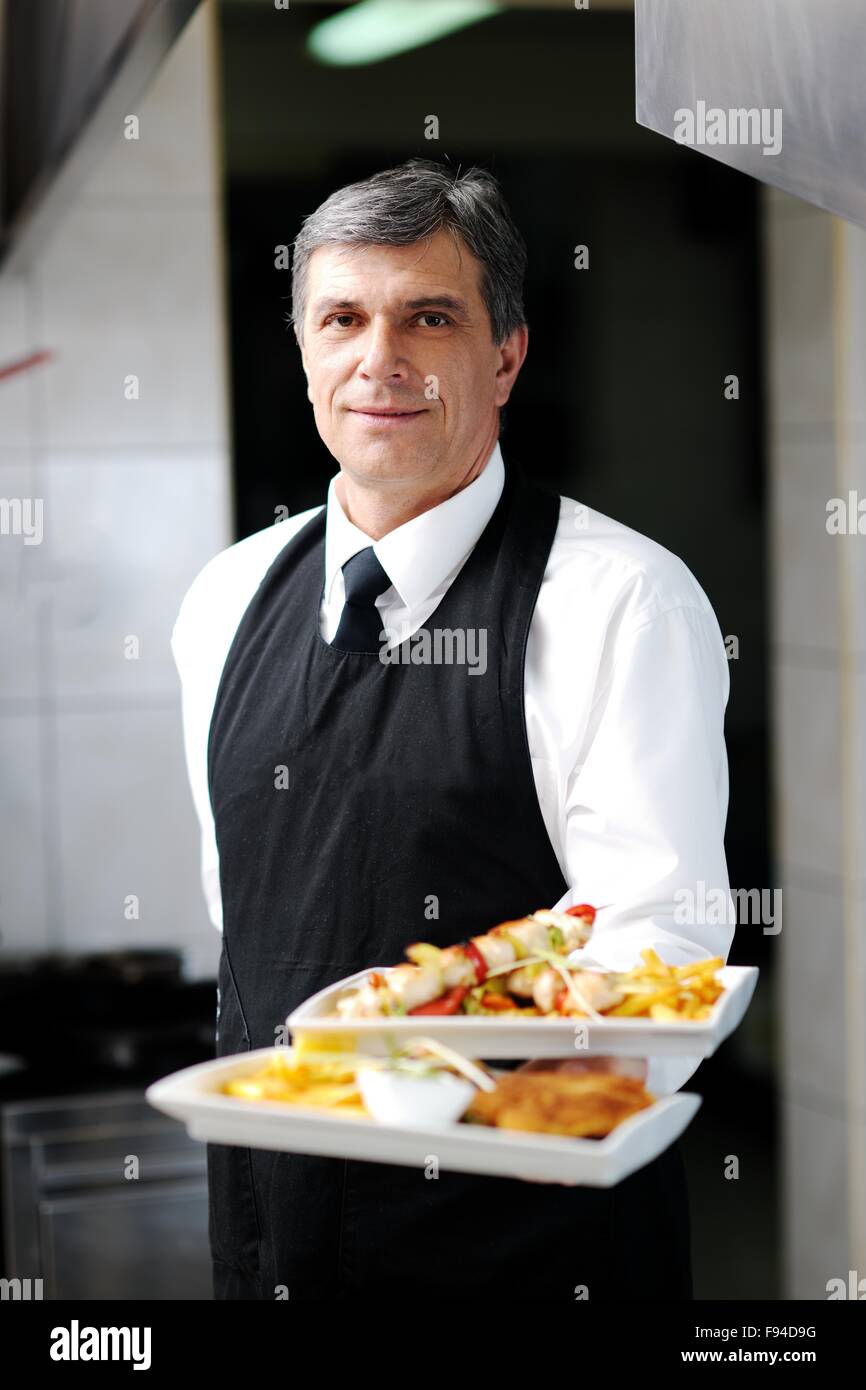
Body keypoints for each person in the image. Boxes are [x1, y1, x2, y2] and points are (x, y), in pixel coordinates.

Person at [171, 158, 734, 1300]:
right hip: (274, 1232)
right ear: (305, 350)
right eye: (342, 318)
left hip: (523, 1247)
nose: (379, 358)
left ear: (506, 356)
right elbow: (247, 920)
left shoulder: (616, 598)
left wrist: (448, 1095)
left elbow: (660, 954)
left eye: (428, 317)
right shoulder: (222, 597)